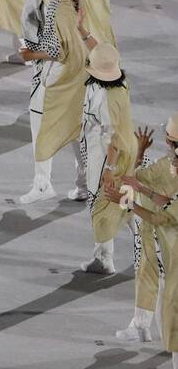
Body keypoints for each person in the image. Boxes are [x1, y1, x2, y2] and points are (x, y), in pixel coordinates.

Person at [3, 0, 86, 203]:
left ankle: (42, 184)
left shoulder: (53, 7)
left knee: (39, 125)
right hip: (79, 74)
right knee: (74, 129)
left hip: (56, 75)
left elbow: (55, 51)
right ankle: (84, 184)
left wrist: (29, 53)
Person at [104, 115, 178, 369]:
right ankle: (140, 325)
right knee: (149, 278)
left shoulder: (170, 165)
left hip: (162, 238)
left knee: (164, 295)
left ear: (170, 141)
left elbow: (145, 191)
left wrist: (125, 199)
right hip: (158, 235)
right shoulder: (170, 164)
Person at [74, 41, 134, 270]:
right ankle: (150, 243)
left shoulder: (106, 100)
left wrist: (108, 170)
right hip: (122, 147)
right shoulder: (119, 84)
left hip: (107, 153)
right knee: (123, 200)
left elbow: (112, 140)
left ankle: (104, 258)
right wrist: (83, 31)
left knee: (100, 202)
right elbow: (103, 55)